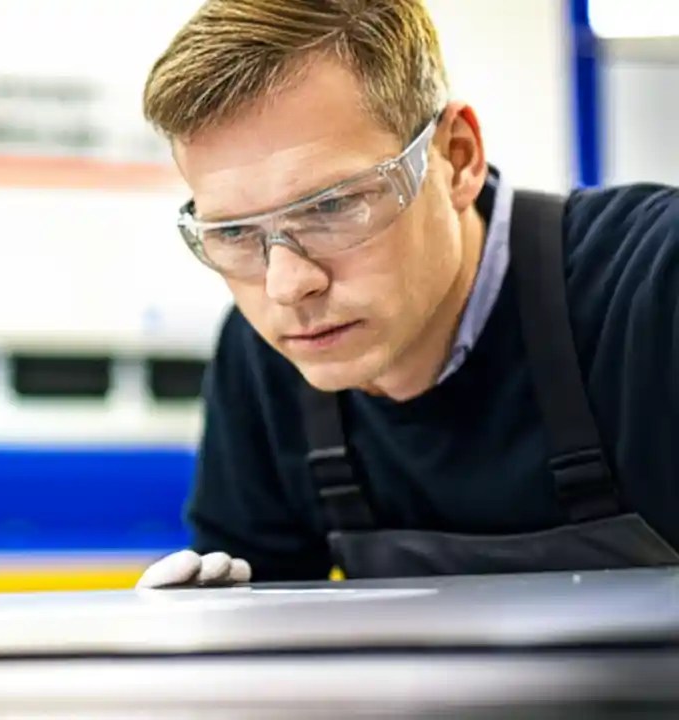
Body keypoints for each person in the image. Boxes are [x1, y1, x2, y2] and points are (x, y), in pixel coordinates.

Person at [135, 0, 679, 588]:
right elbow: (264, 603)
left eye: (332, 205)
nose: (286, 286)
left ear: (457, 159)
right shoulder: (261, 361)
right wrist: (214, 628)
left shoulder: (654, 289)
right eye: (234, 232)